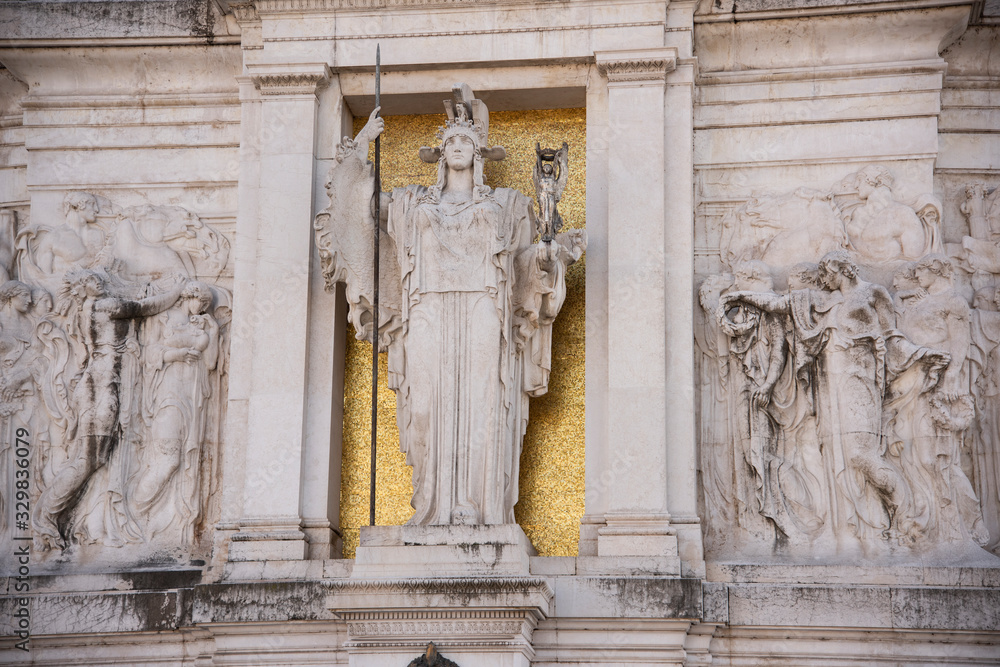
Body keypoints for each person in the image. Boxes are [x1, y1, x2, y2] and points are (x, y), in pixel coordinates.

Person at [317, 87, 585, 526]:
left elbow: (519, 264)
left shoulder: (506, 205)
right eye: (450, 142)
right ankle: (431, 506)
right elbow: (359, 208)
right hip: (426, 309)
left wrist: (544, 258)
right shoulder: (412, 203)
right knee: (423, 405)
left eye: (465, 141)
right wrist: (362, 146)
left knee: (483, 403)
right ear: (441, 154)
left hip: (484, 310)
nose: (457, 147)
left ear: (479, 153)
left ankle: (478, 510)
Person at [721, 251, 949, 552]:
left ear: (841, 269)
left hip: (860, 381)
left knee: (861, 454)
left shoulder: (873, 293)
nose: (823, 279)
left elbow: (892, 337)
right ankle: (858, 530)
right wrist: (739, 296)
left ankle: (908, 516)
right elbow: (778, 304)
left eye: (826, 273)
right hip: (829, 385)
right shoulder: (820, 301)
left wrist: (918, 355)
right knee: (836, 457)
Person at [32, 270, 183, 549]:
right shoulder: (106, 306)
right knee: (88, 458)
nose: (96, 281)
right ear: (82, 289)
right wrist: (178, 289)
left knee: (95, 457)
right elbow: (146, 308)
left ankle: (51, 516)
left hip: (98, 383)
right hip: (100, 385)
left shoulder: (87, 310)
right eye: (88, 280)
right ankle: (44, 518)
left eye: (97, 278)